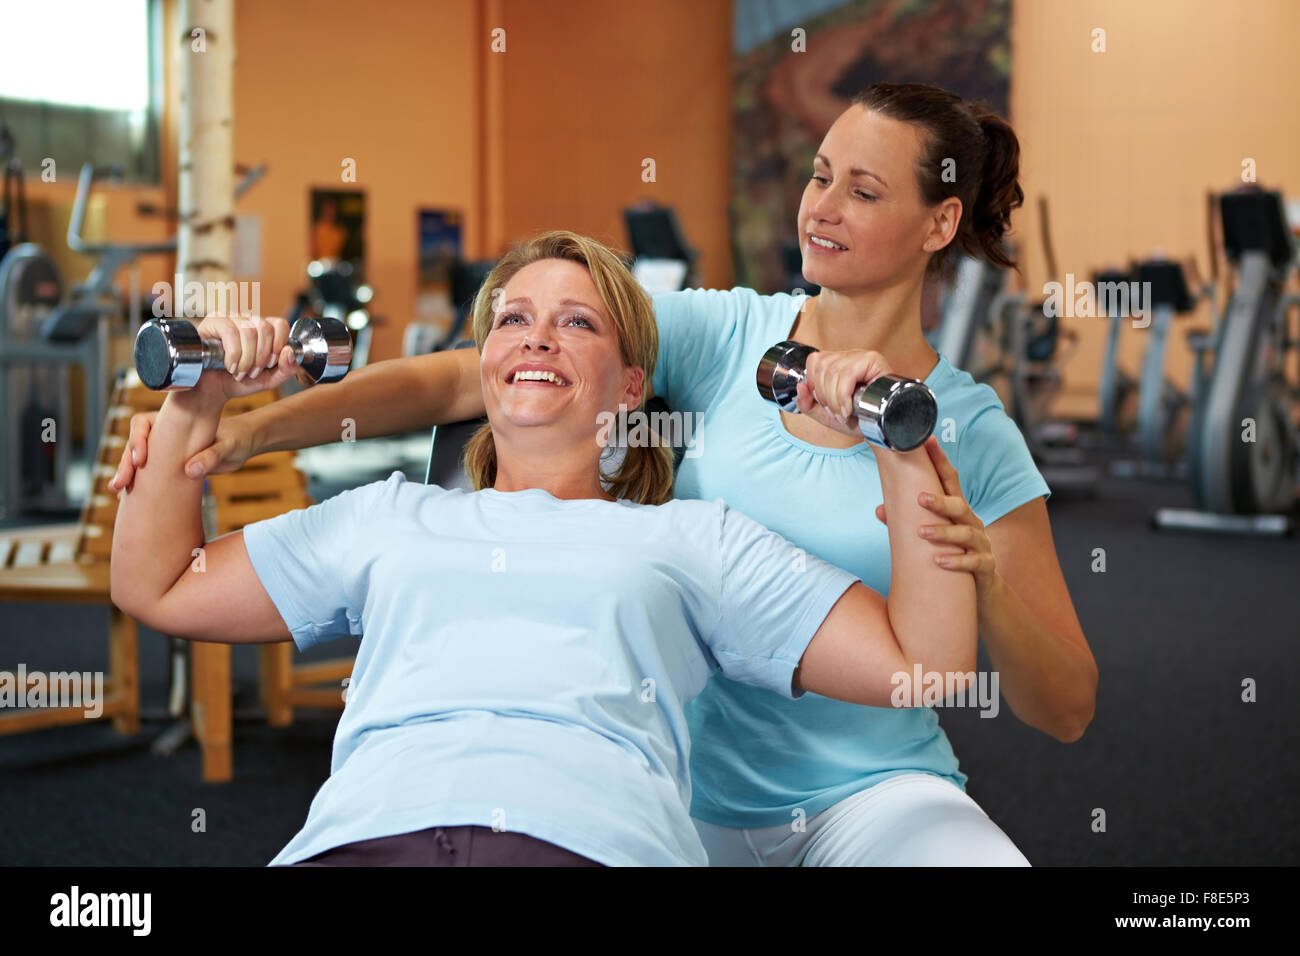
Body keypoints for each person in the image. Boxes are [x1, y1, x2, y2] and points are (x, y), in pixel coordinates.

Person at [112, 82, 1097, 866]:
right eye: (818, 174)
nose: (821, 209)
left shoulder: (949, 435)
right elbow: (467, 372)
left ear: (939, 224)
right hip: (674, 783)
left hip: (854, 793)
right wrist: (245, 423)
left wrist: (974, 570)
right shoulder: (721, 333)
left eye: (864, 190)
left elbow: (1042, 696)